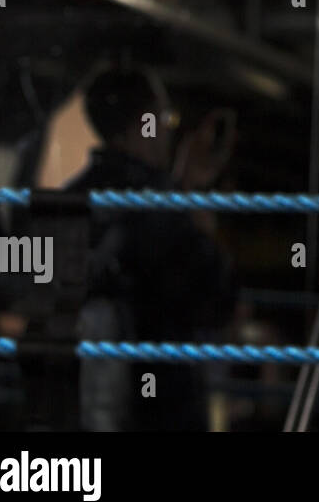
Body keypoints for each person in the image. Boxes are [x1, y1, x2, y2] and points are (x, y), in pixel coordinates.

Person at [63, 64, 235, 431]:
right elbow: (217, 301)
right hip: (159, 407)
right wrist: (193, 205)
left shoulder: (67, 199)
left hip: (78, 402)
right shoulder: (164, 209)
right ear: (145, 122)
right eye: (164, 117)